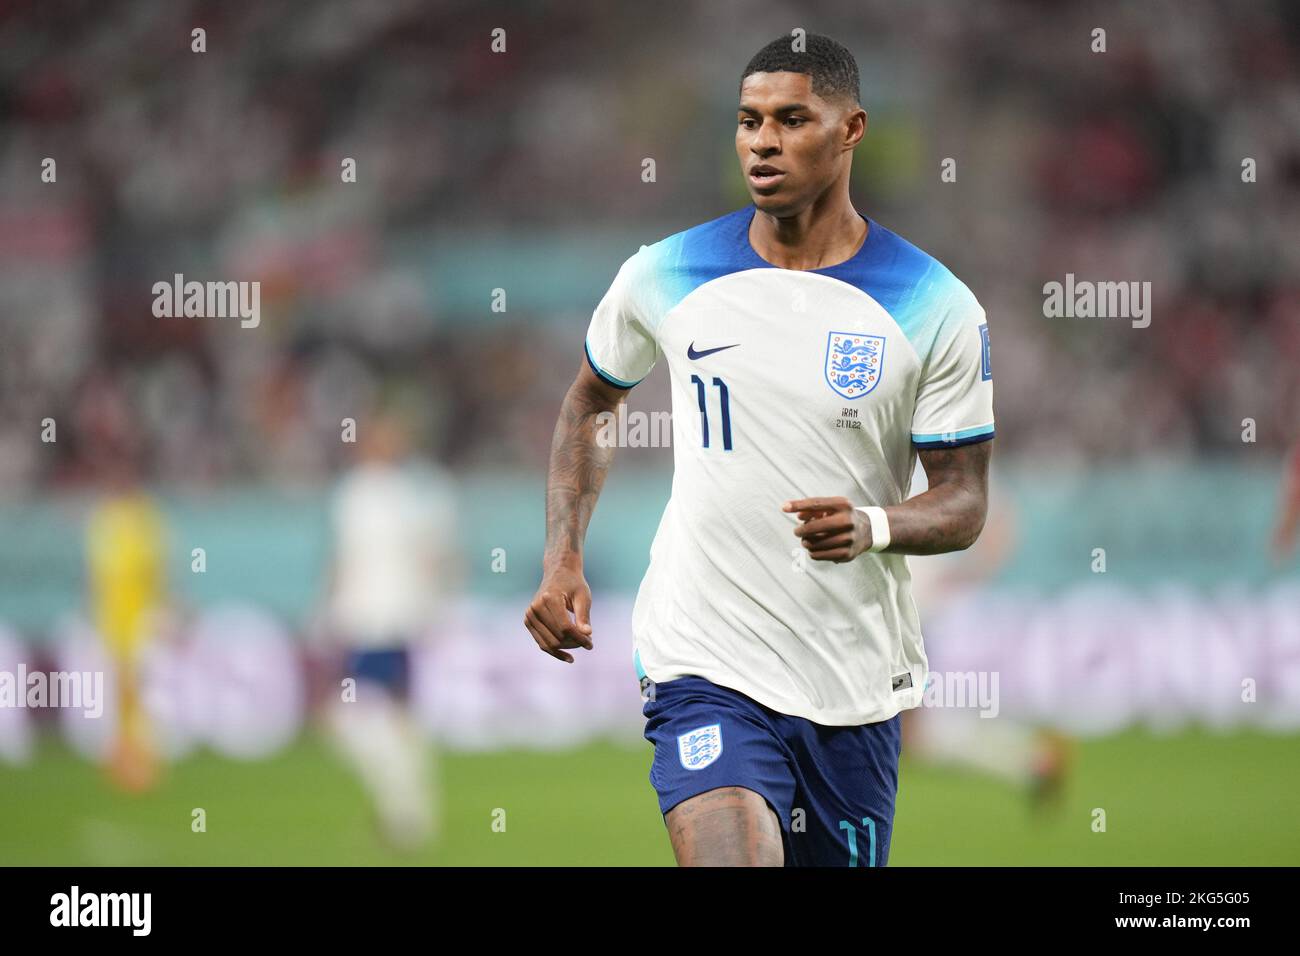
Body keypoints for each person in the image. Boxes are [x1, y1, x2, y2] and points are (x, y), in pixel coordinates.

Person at [526, 34, 995, 866]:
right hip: (703, 658)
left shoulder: (935, 304)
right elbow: (593, 400)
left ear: (851, 130)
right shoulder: (665, 272)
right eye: (748, 121)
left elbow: (963, 502)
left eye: (790, 120)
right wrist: (563, 555)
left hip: (851, 681)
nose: (762, 141)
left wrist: (874, 525)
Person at [323, 409, 459, 851]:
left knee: (352, 716)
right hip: (381, 620)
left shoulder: (370, 494)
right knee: (391, 716)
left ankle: (404, 805)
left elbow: (347, 562)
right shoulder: (397, 493)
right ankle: (406, 804)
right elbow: (432, 558)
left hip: (377, 621)